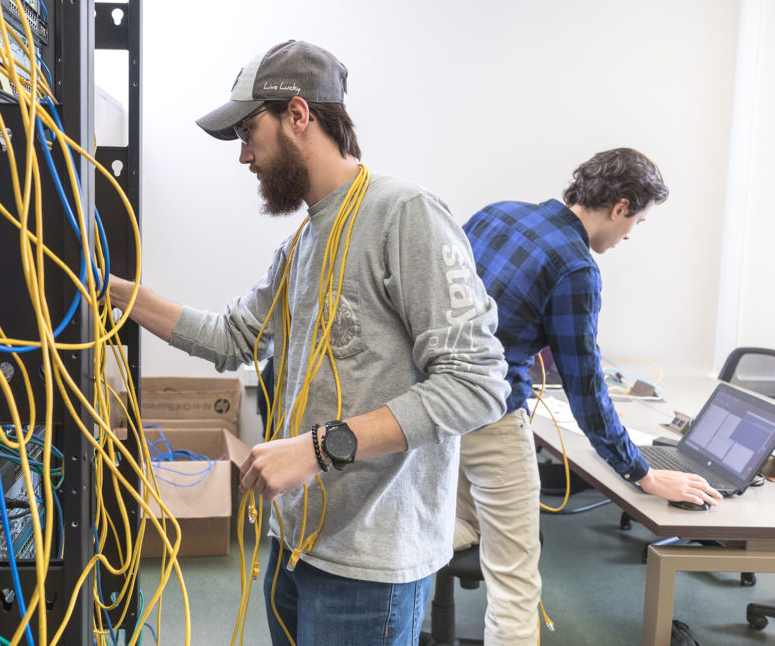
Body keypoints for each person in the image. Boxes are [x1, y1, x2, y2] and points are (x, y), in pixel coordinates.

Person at [107, 40, 511, 646]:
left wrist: (319, 448)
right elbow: (232, 337)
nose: (244, 156)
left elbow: (477, 385)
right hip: (297, 543)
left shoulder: (405, 215)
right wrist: (113, 292)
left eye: (249, 133)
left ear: (299, 116)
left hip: (370, 565)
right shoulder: (300, 246)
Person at [455, 151, 724, 626]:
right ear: (619, 207)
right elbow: (585, 390)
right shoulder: (576, 267)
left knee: (456, 519)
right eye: (636, 221)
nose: (629, 236)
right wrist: (641, 472)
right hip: (488, 414)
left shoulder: (496, 213)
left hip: (432, 401)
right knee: (516, 574)